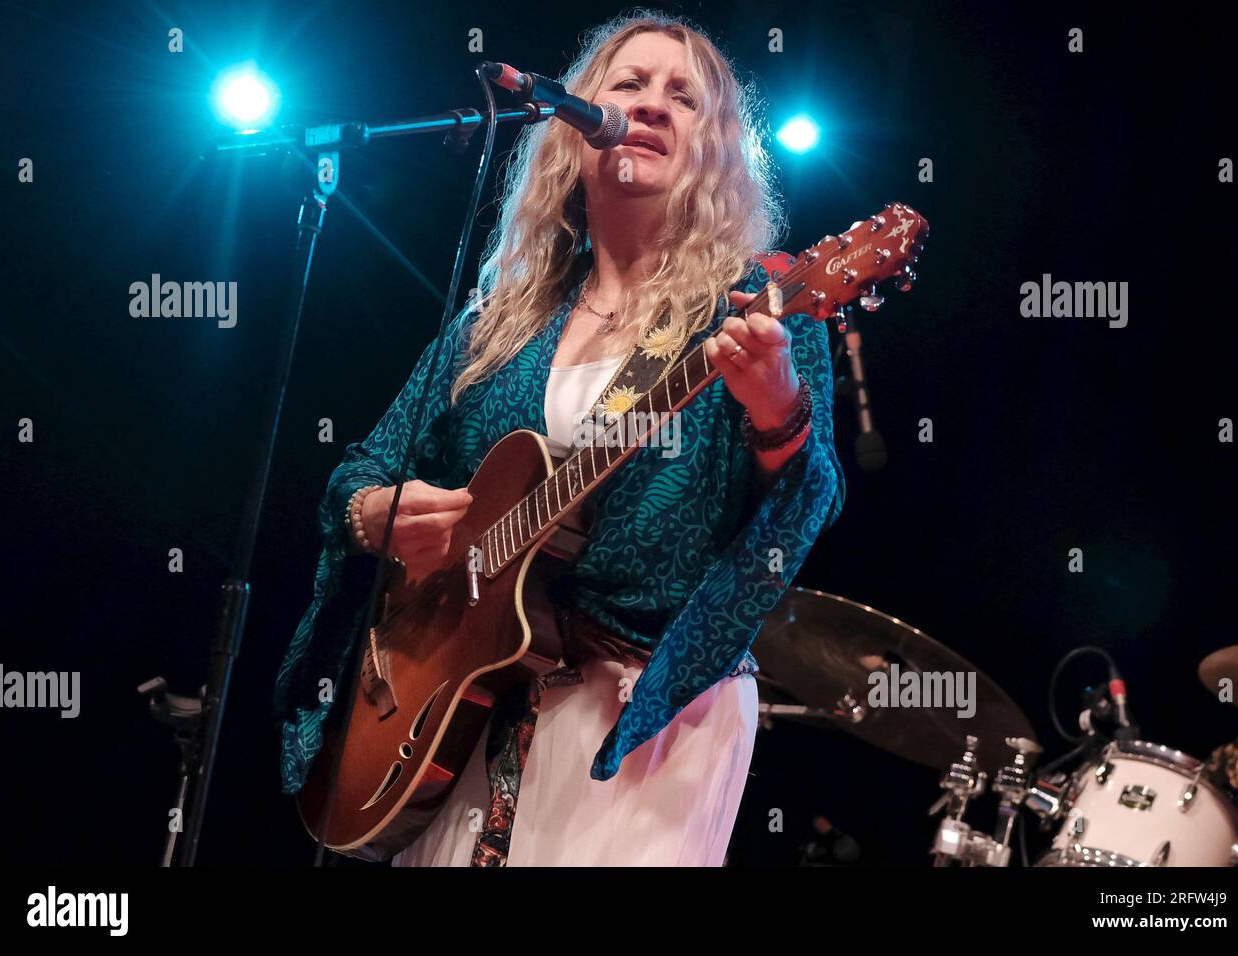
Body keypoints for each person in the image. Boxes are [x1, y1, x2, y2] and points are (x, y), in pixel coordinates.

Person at [273, 11, 845, 866]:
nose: (650, 106)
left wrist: (776, 407)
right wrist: (374, 513)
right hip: (465, 697)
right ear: (571, 124)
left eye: (682, 98)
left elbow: (809, 498)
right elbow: (361, 470)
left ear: (715, 151)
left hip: (643, 713)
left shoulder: (753, 308)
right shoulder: (497, 324)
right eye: (628, 84)